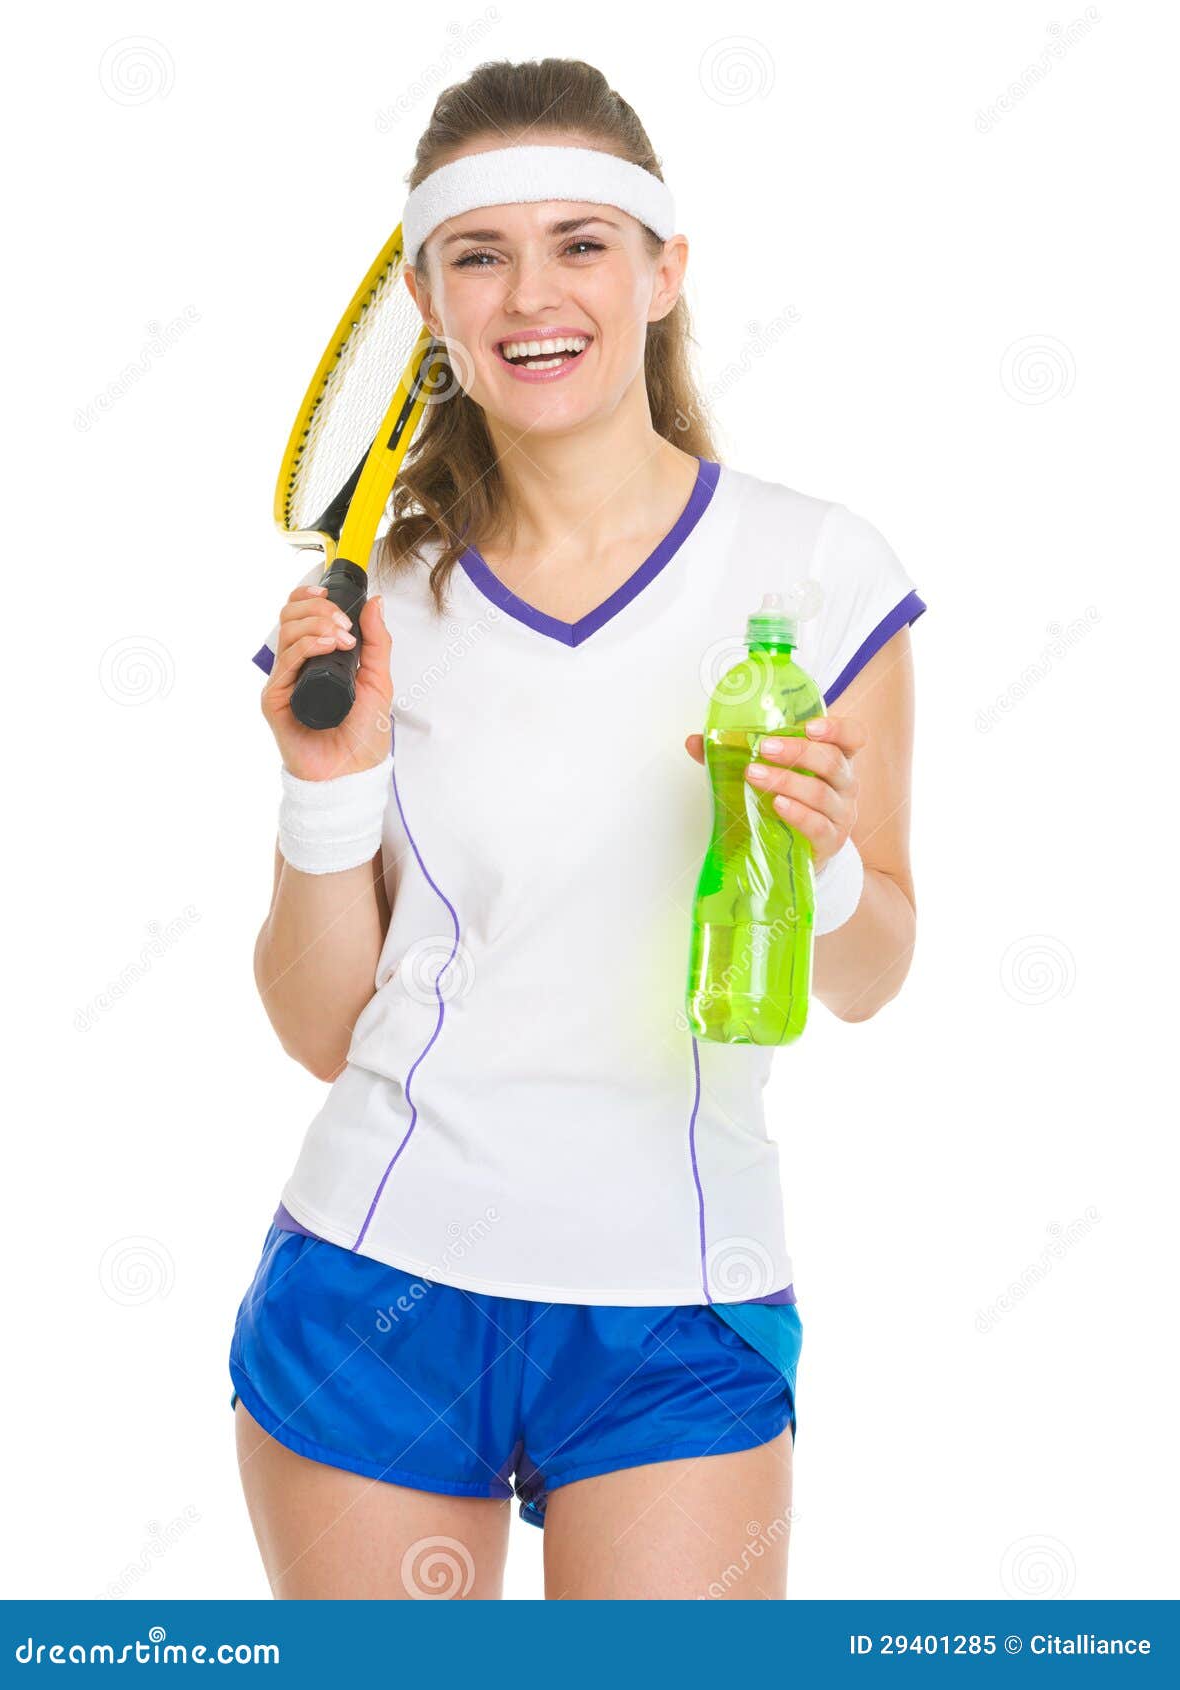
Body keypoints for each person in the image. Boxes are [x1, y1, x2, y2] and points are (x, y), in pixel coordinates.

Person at [229, 57, 927, 1601]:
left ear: (663, 272)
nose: (531, 294)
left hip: (678, 1302)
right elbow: (320, 1027)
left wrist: (817, 859)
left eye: (581, 243)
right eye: (480, 254)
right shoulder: (376, 606)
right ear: (428, 301)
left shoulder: (820, 570)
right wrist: (324, 784)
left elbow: (873, 973)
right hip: (377, 1278)